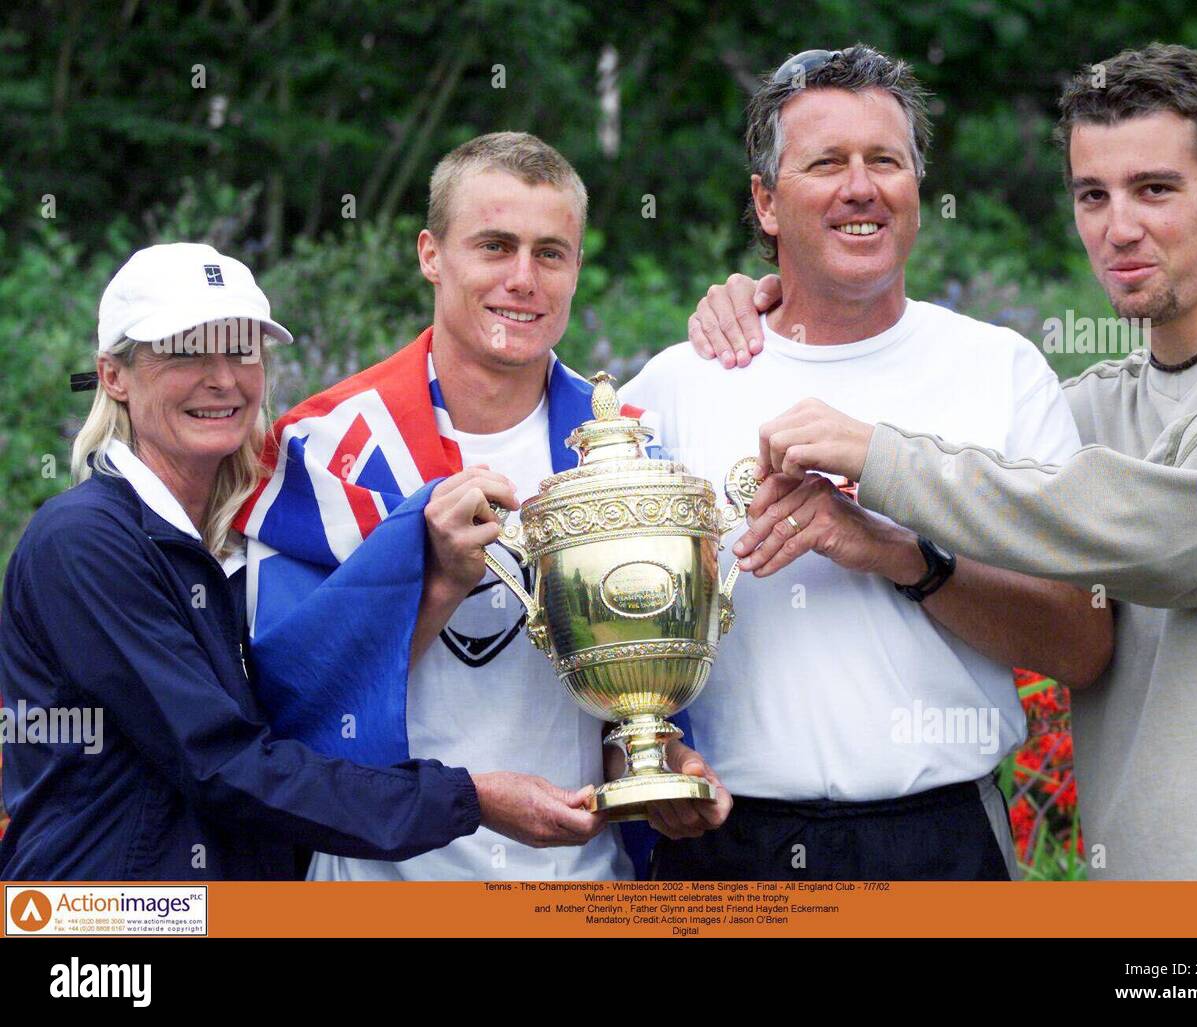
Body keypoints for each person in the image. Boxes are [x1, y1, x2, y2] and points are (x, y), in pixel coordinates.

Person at [693, 44, 1197, 880]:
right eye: (1093, 195)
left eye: (1155, 188)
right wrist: (770, 307)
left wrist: (880, 465)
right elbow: (1031, 494)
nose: (1119, 225)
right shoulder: (1088, 411)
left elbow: (1157, 530)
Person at [619, 46, 1112, 882]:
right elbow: (605, 622)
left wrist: (894, 551)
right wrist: (646, 745)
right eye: (826, 163)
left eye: (885, 160)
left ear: (917, 190)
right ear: (767, 203)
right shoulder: (677, 384)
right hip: (726, 849)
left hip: (943, 844)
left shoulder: (1001, 368)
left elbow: (1082, 642)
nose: (861, 186)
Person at [235, 132, 731, 882]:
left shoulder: (630, 457)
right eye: (495, 247)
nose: (523, 278)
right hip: (378, 894)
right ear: (431, 254)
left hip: (577, 886)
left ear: (576, 268)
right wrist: (427, 578)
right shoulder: (328, 450)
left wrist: (663, 762)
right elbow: (291, 706)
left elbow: (623, 695)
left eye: (550, 252)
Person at [0, 243, 481, 880]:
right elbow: (225, 766)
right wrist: (472, 800)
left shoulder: (244, 542)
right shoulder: (84, 541)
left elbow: (304, 713)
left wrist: (440, 582)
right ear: (114, 375)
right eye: (187, 351)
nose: (222, 378)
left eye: (241, 350)